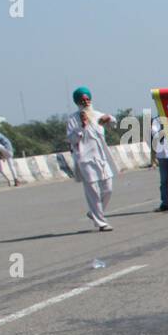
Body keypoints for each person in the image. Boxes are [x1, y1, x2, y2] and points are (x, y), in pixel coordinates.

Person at [65, 87, 118, 232]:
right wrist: (82, 126)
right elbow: (71, 139)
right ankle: (101, 222)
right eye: (82, 100)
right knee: (93, 191)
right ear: (77, 102)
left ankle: (94, 213)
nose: (85, 102)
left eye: (87, 99)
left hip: (101, 157)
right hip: (85, 159)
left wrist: (109, 119)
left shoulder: (96, 114)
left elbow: (112, 123)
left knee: (108, 189)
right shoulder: (72, 119)